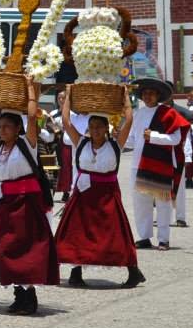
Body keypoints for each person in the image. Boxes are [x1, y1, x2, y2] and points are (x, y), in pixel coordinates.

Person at [0, 77, 58, 315]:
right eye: (0, 126)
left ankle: (30, 297)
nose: (2, 130)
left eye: (7, 126)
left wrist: (31, 90)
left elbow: (32, 117)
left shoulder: (27, 144)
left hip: (27, 203)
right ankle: (18, 295)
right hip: (6, 204)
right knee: (8, 248)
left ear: (18, 129)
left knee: (27, 248)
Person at [55, 87, 146, 288]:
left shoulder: (115, 145)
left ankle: (133, 271)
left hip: (107, 196)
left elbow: (129, 120)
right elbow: (66, 121)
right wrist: (68, 96)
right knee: (77, 232)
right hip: (83, 195)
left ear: (106, 128)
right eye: (92, 126)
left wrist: (125, 97)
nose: (95, 130)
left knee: (116, 233)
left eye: (99, 127)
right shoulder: (81, 142)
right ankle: (76, 272)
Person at [126, 79, 189, 251]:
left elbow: (176, 139)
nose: (148, 96)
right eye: (145, 93)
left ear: (158, 95)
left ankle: (163, 239)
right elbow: (131, 141)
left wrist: (153, 136)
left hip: (160, 163)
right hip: (138, 163)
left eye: (151, 93)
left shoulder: (168, 113)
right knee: (141, 203)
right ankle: (144, 237)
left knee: (162, 203)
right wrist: (119, 137)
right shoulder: (137, 114)